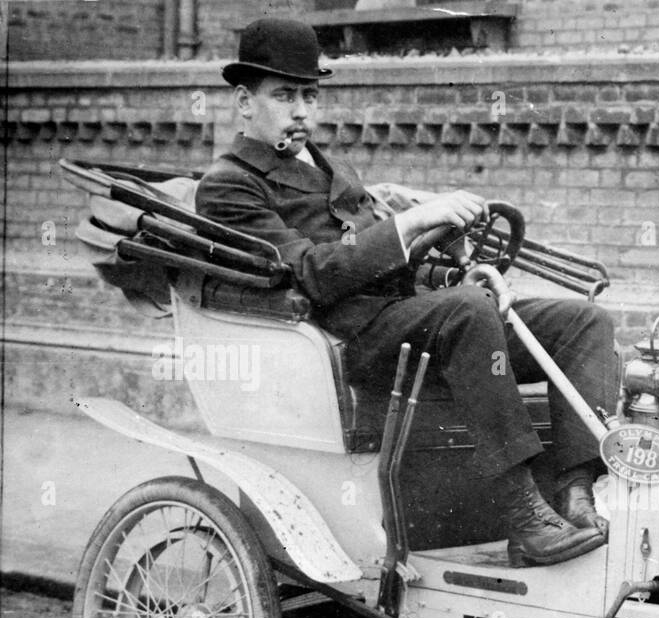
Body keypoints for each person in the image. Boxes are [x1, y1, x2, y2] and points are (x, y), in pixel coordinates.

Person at [196, 17, 615, 567]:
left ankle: (575, 490)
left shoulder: (328, 165)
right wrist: (412, 224)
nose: (301, 110)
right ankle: (524, 516)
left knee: (582, 321)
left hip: (408, 321)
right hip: (347, 340)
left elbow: (392, 264)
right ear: (244, 102)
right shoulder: (229, 185)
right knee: (467, 313)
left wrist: (446, 278)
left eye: (309, 95)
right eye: (284, 95)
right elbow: (315, 273)